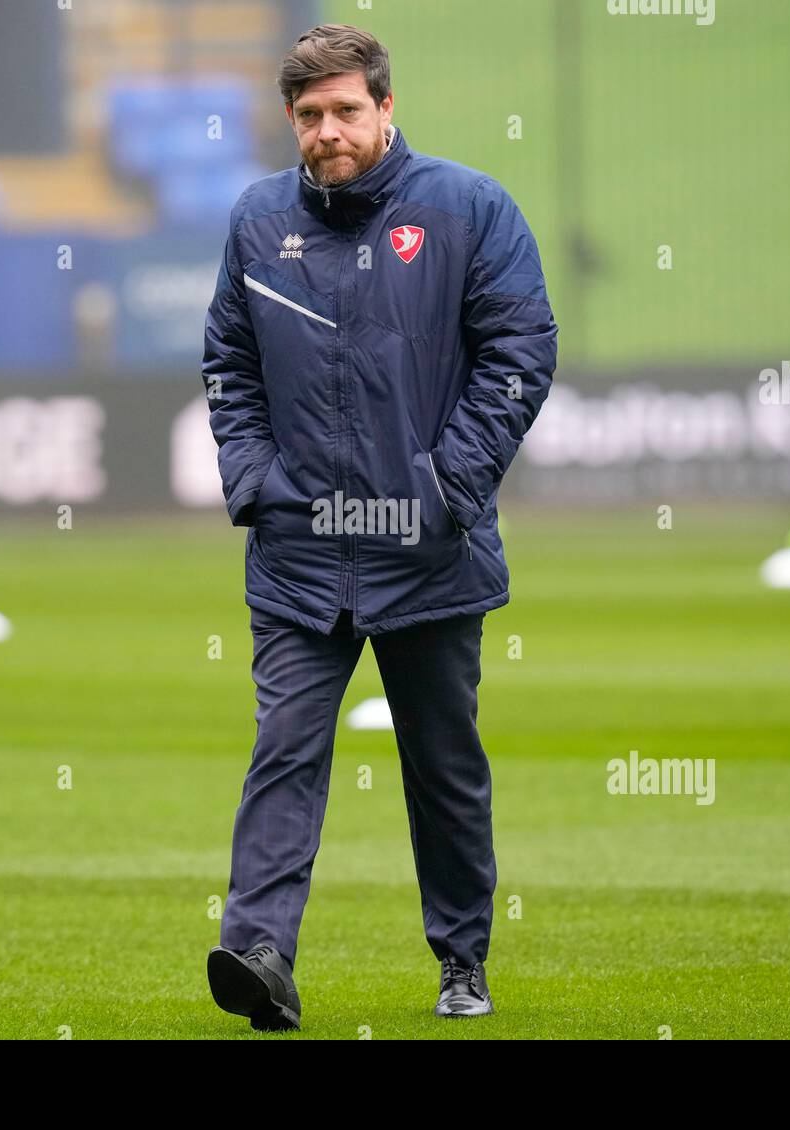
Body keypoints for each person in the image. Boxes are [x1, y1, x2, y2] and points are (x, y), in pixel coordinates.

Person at [201, 22, 557, 1031]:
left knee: (442, 766)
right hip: (299, 551)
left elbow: (520, 350)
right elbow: (227, 363)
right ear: (291, 121)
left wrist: (450, 484)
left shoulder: (469, 208)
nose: (327, 131)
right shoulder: (256, 218)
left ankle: (461, 960)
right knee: (284, 750)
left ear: (386, 108)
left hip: (429, 548)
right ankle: (259, 952)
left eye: (346, 110)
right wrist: (256, 481)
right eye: (308, 115)